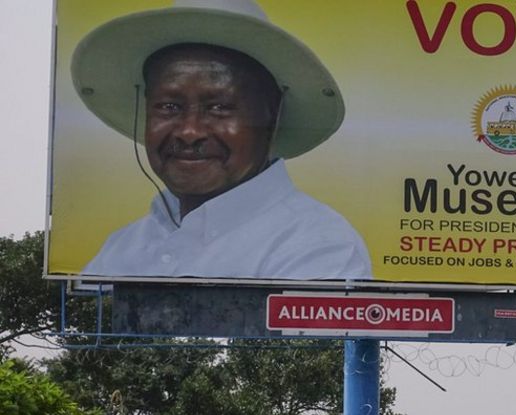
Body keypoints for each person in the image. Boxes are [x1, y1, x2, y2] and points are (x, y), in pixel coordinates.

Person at [72, 0, 371, 280]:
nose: (189, 132)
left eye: (219, 108)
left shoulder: (318, 246)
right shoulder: (120, 250)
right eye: (169, 107)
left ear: (272, 116)